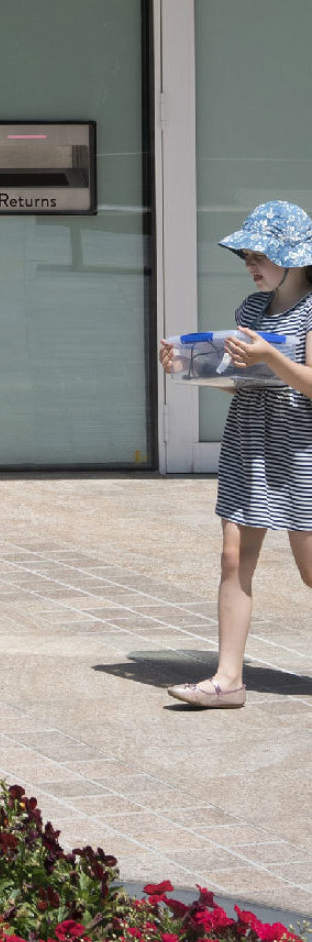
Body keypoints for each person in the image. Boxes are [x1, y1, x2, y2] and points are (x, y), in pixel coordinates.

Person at [157, 200, 312, 709]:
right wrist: (186, 365)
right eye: (246, 255)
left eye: (259, 255)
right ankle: (228, 680)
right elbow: (244, 382)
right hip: (250, 443)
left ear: (293, 257)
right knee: (232, 558)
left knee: (311, 570)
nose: (250, 264)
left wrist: (270, 355)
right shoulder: (249, 310)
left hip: (302, 450)